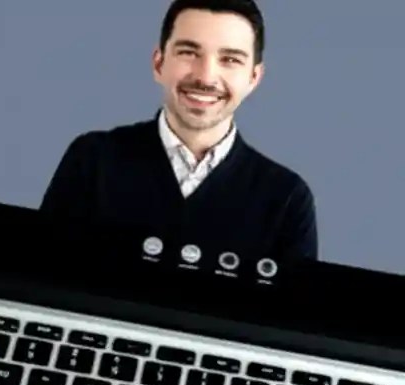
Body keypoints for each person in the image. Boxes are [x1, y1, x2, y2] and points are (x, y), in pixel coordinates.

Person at [39, 0, 318, 263]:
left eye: (230, 59)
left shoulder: (287, 198)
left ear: (253, 78)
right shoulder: (92, 160)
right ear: (159, 64)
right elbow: (41, 276)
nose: (205, 77)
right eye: (189, 53)